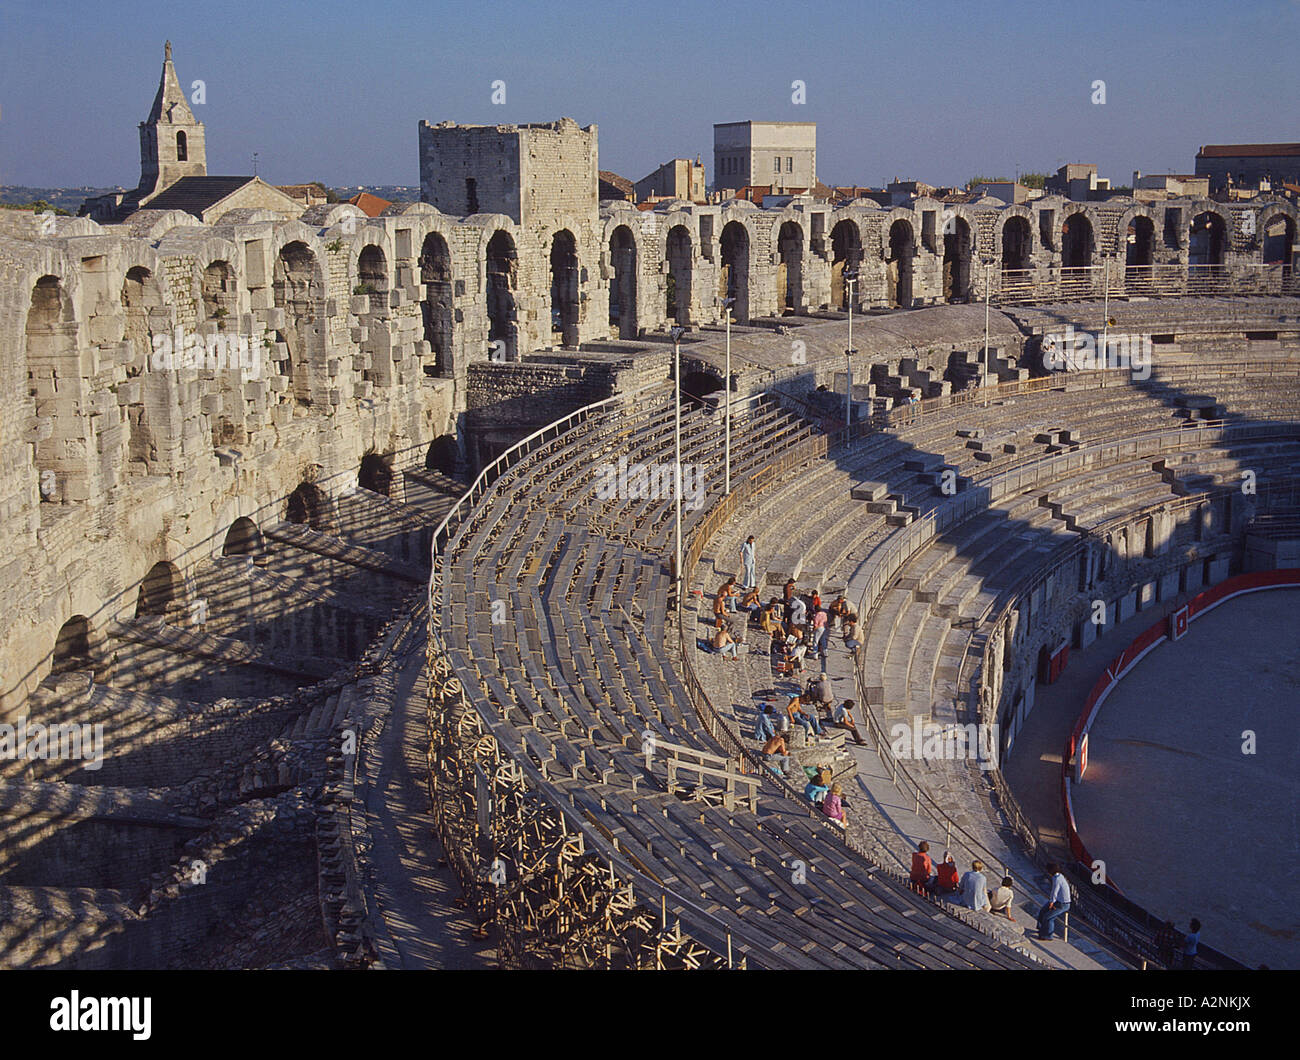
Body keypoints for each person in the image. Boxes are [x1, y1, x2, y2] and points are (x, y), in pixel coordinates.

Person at [1036, 863, 1071, 941]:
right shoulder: (1059, 876)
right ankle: (1041, 929)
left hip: (1063, 904)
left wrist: (1051, 902)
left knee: (1048, 917)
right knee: (1043, 911)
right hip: (1058, 901)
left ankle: (1047, 935)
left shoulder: (1057, 879)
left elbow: (1054, 891)